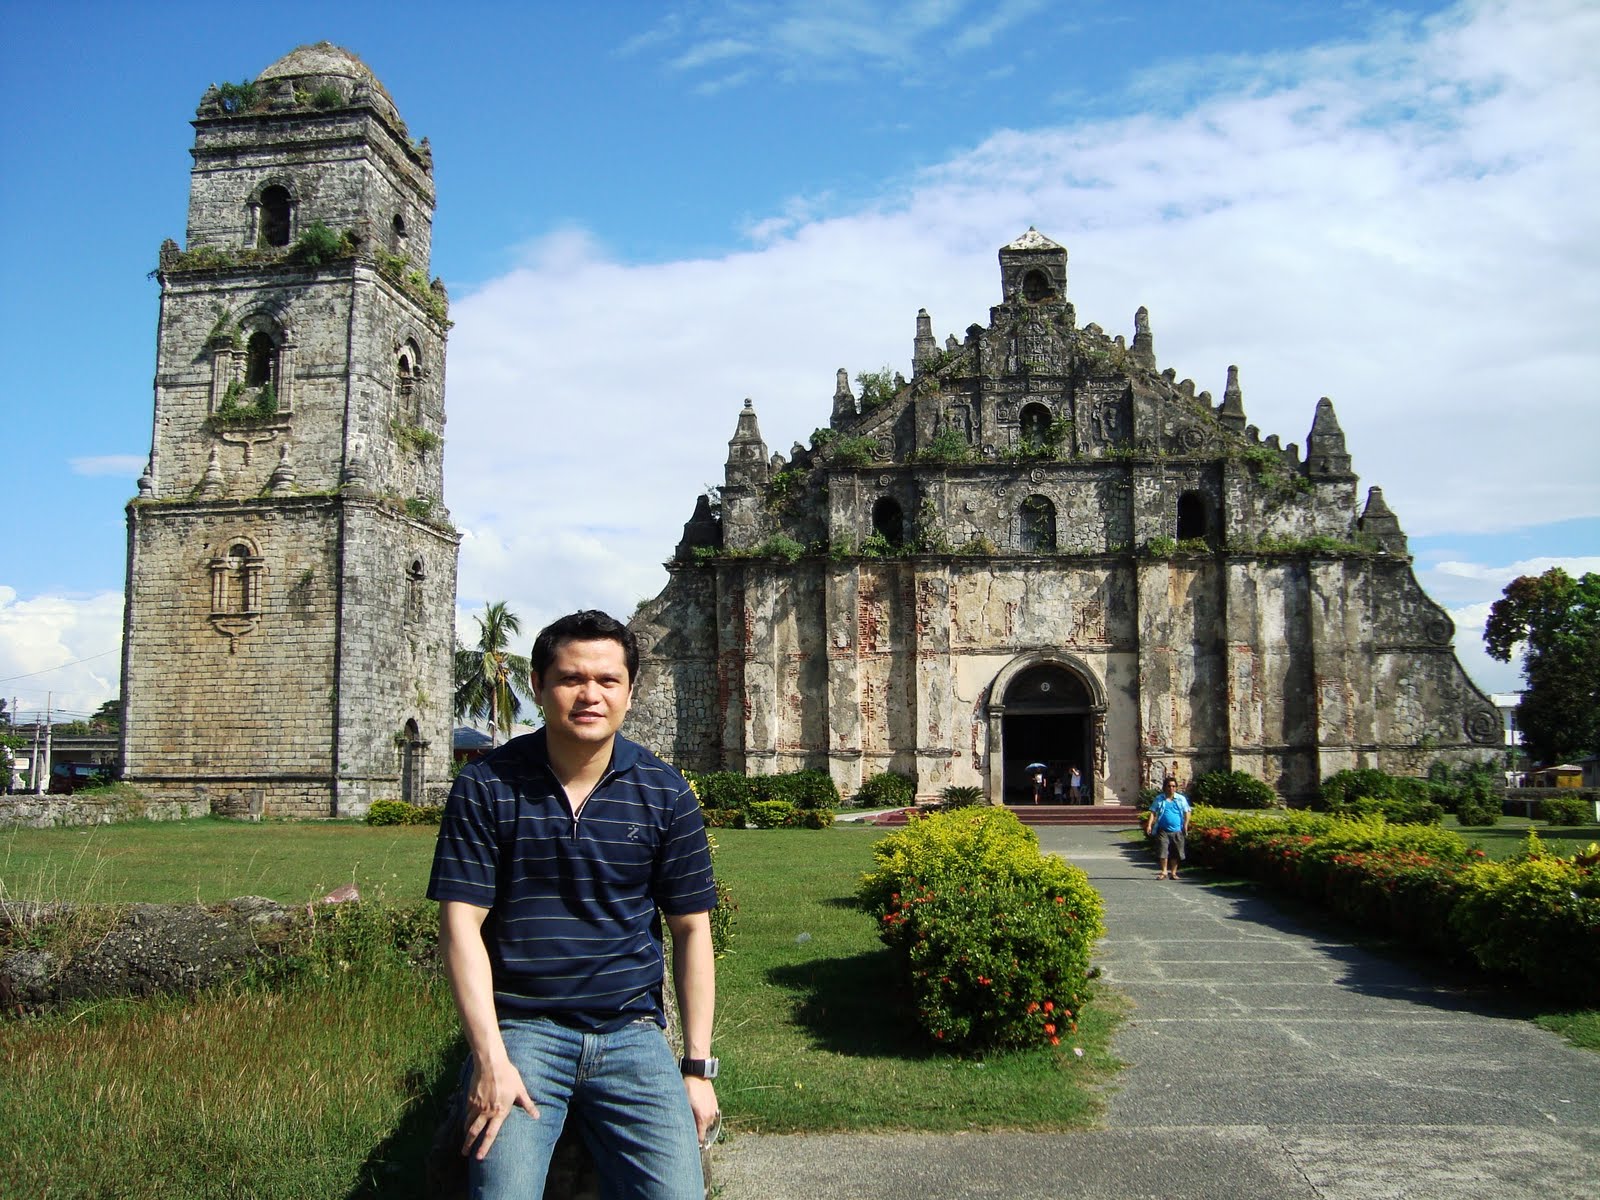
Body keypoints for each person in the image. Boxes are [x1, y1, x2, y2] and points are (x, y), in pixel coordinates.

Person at [428, 609, 720, 1199]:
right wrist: (489, 1058)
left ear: (630, 693)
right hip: (527, 1031)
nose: (591, 694)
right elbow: (461, 925)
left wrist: (697, 1069)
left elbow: (692, 930)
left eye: (608, 681)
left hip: (631, 1035)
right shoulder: (488, 785)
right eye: (571, 679)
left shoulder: (665, 792)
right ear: (538, 686)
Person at [1145, 776, 1191, 879]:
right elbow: (1153, 812)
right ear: (1165, 787)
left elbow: (1187, 811)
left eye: (1173, 786)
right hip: (1162, 829)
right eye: (1169, 786)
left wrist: (1186, 825)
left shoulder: (1180, 799)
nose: (1171, 788)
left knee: (1175, 851)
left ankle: (1173, 873)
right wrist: (1149, 825)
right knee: (1163, 850)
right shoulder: (1160, 799)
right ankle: (1164, 871)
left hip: (1177, 829)